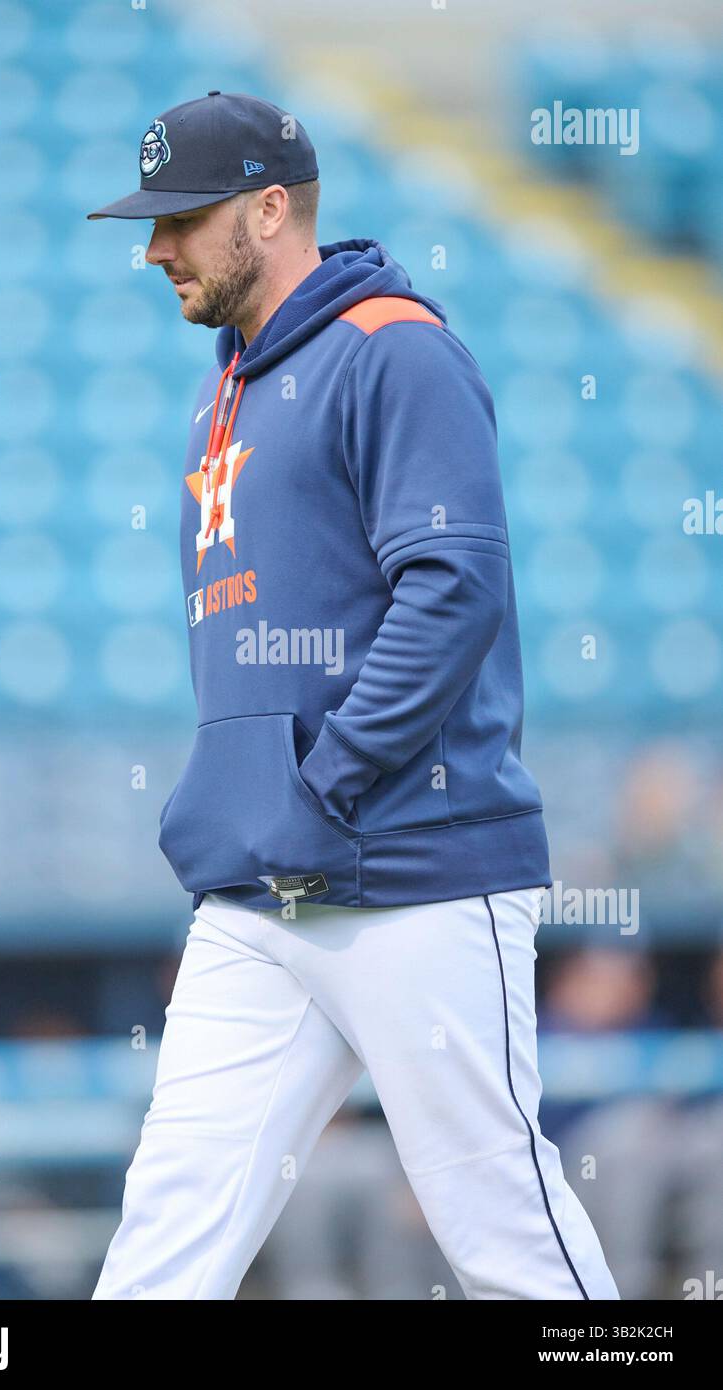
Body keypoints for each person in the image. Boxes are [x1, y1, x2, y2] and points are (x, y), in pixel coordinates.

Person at [87, 91, 619, 1301]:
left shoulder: (393, 347)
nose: (154, 247)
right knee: (167, 1226)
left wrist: (319, 788)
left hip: (416, 869)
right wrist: (264, 815)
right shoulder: (226, 382)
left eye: (180, 219)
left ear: (270, 209)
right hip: (261, 890)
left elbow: (452, 589)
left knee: (504, 1234)